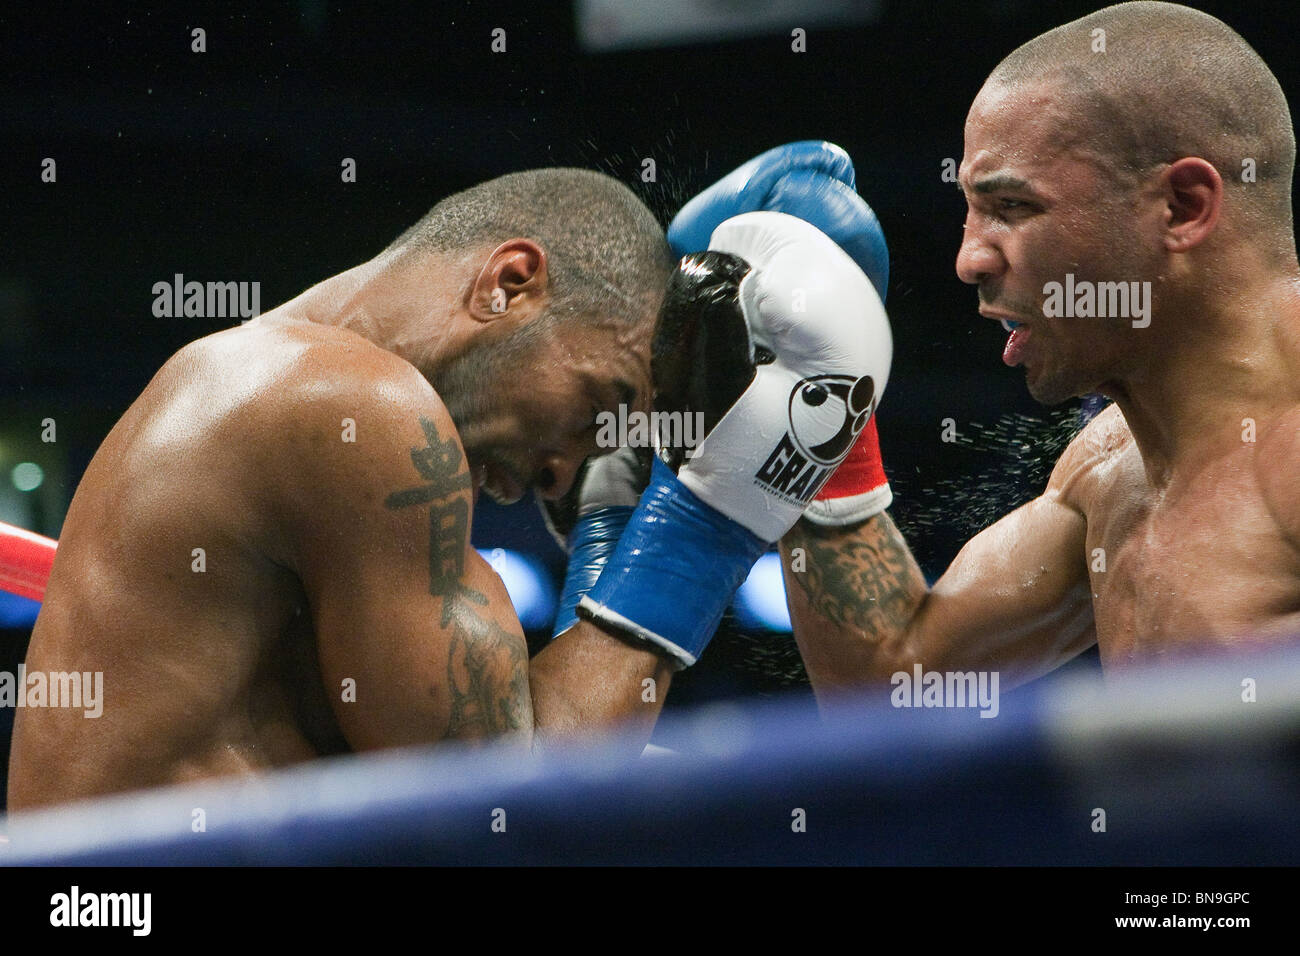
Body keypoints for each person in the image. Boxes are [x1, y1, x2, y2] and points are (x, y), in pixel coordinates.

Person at [9, 160, 891, 809]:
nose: (560, 471)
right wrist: (715, 515)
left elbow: (513, 743)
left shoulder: (264, 376)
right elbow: (510, 809)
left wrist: (611, 541)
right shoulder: (355, 407)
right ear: (511, 283)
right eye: (604, 403)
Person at [781, 1, 1300, 698]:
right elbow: (895, 683)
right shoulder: (1107, 472)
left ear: (1181, 206)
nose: (969, 259)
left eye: (1012, 208)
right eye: (969, 209)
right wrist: (814, 392)